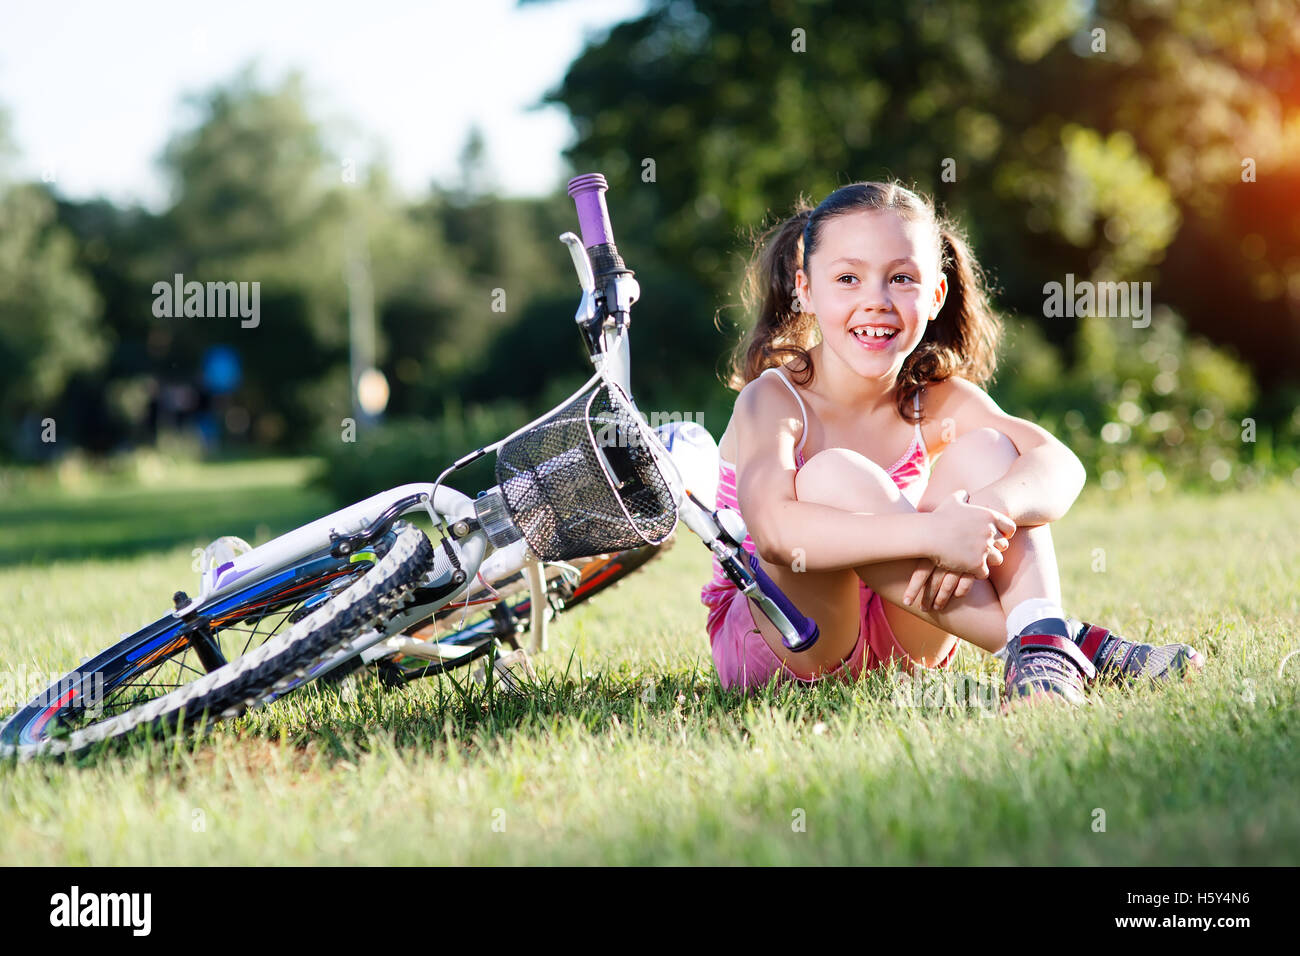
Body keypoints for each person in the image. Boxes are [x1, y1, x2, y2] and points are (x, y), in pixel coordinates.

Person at [699, 181, 1204, 705]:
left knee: (990, 450)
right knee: (833, 475)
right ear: (805, 288)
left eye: (901, 279)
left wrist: (984, 513)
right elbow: (778, 535)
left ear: (937, 294)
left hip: (909, 639)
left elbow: (1062, 465)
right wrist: (931, 533)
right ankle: (1054, 642)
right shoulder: (773, 400)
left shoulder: (935, 401)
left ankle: (1043, 656)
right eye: (847, 278)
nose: (876, 301)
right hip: (791, 640)